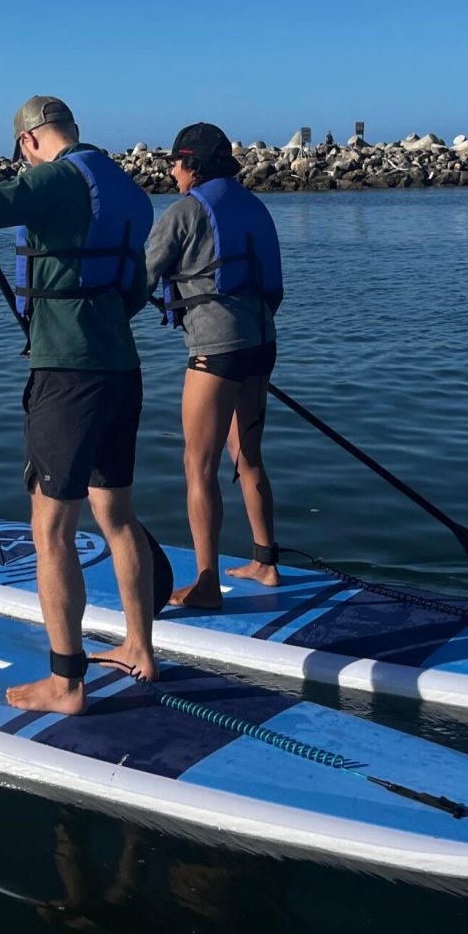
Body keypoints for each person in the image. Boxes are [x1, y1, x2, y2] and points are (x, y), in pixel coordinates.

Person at [0, 95, 159, 714]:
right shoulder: (128, 190)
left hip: (68, 378)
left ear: (29, 141)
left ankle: (67, 683)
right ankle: (140, 647)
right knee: (118, 515)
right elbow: (134, 290)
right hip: (121, 370)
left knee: (51, 529)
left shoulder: (57, 178)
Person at [144, 122, 285, 609]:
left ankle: (206, 584)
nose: (171, 172)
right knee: (247, 455)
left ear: (194, 165)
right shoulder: (255, 205)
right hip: (262, 343)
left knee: (198, 464)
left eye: (175, 163)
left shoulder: (185, 211)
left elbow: (141, 276)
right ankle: (265, 563)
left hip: (216, 350)